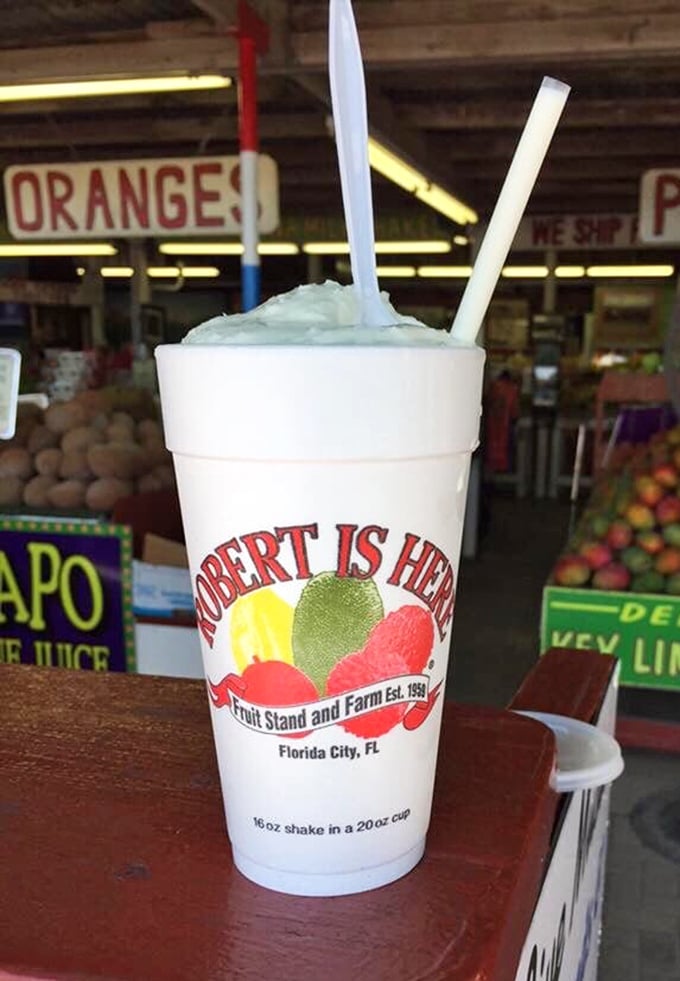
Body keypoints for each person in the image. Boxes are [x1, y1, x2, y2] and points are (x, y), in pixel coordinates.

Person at [484, 369, 520, 474]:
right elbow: (515, 412)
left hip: (491, 427)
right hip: (505, 428)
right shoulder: (512, 389)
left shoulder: (493, 388)